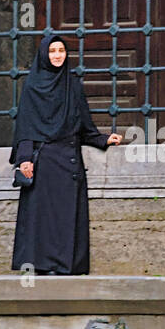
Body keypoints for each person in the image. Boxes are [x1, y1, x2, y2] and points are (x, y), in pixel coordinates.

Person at [9, 33, 122, 275]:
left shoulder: (72, 85)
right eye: (52, 51)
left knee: (67, 217)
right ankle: (43, 265)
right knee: (44, 217)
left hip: (69, 161)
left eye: (61, 51)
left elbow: (83, 125)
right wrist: (24, 159)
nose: (57, 55)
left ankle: (66, 266)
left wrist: (102, 139)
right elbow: (26, 126)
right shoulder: (32, 86)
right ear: (44, 55)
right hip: (44, 162)